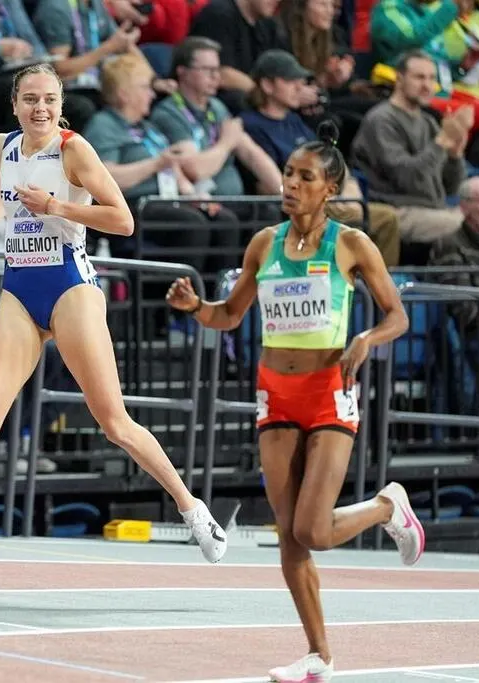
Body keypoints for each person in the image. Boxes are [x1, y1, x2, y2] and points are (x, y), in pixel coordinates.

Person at [0, 62, 228, 584]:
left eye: (49, 98)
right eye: (30, 99)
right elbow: (6, 200)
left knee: (113, 421)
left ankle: (191, 508)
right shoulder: (1, 147)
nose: (40, 108)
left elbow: (123, 219)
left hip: (70, 285)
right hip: (19, 289)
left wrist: (56, 206)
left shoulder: (74, 150)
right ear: (14, 104)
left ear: (61, 101)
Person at [165, 122, 424, 682]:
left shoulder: (352, 244)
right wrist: (194, 308)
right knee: (290, 535)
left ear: (329, 189)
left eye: (305, 177)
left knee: (314, 532)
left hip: (329, 391)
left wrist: (365, 340)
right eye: (288, 174)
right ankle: (318, 654)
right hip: (273, 393)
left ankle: (387, 507)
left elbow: (396, 316)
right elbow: (228, 316)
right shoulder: (265, 243)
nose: (291, 184)